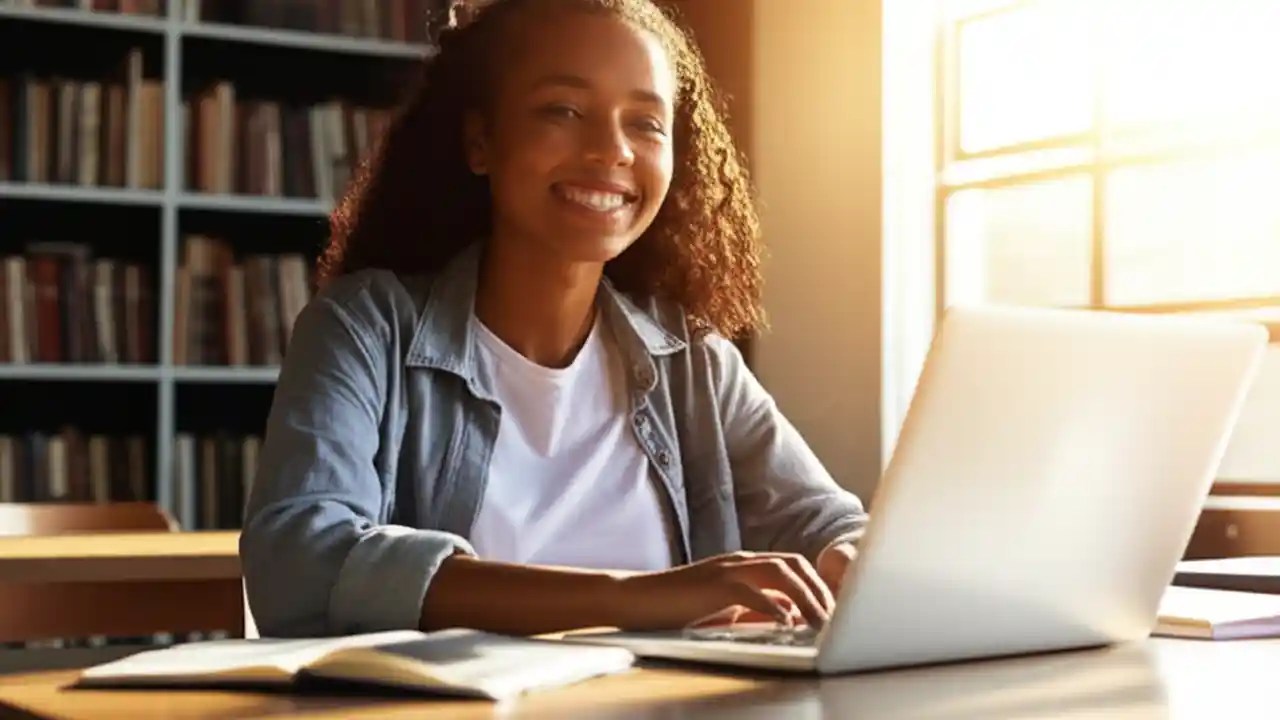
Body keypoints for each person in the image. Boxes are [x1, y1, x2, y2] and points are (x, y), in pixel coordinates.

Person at [240, 0, 868, 639]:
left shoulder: (694, 360)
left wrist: (855, 559)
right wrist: (636, 599)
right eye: (563, 111)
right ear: (481, 140)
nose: (612, 150)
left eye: (646, 123)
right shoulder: (365, 327)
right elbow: (298, 566)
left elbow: (829, 523)